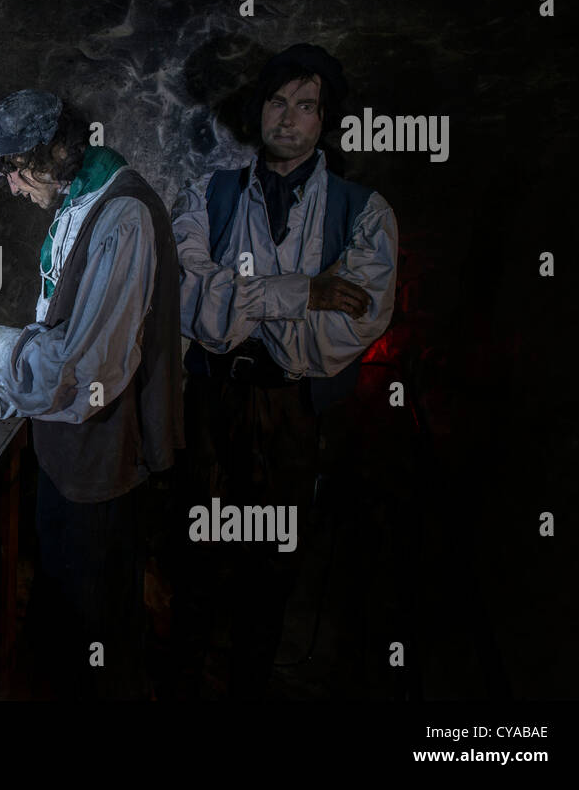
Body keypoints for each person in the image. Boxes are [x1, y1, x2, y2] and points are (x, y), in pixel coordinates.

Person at [168, 42, 399, 697]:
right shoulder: (205, 195)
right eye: (277, 101)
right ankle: (184, 685)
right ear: (259, 109)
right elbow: (187, 303)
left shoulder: (365, 213)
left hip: (290, 414)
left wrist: (233, 303)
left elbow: (339, 332)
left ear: (323, 120)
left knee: (269, 572)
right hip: (209, 404)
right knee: (194, 562)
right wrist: (298, 293)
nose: (288, 117)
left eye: (305, 105)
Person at [0, 89, 184, 699]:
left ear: (51, 154)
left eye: (16, 172)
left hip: (103, 459)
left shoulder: (123, 215)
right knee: (64, 617)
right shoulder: (80, 200)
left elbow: (86, 366)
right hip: (66, 450)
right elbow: (66, 337)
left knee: (96, 632)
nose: (14, 188)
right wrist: (7, 392)